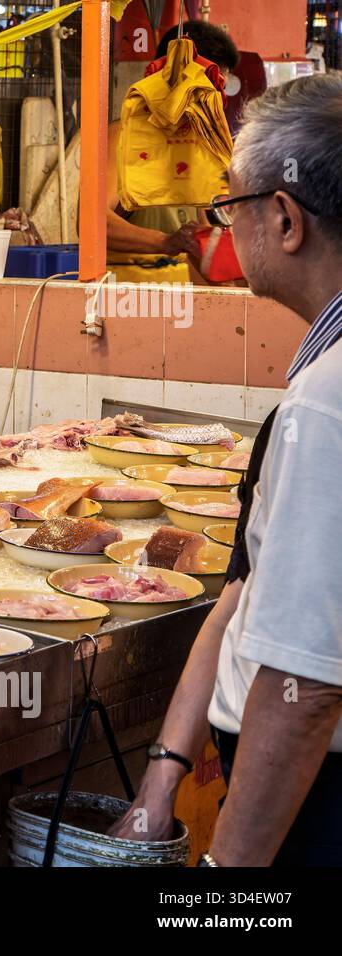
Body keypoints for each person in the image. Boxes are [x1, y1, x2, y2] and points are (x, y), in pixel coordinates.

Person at [108, 74, 342, 865]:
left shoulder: (327, 402)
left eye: (229, 207)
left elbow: (304, 687)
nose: (224, 227)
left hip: (320, 804)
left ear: (283, 219)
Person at [106, 21, 241, 280]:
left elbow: (197, 232)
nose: (215, 99)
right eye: (211, 85)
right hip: (131, 298)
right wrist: (164, 242)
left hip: (183, 298)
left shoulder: (199, 141)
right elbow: (93, 223)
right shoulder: (124, 136)